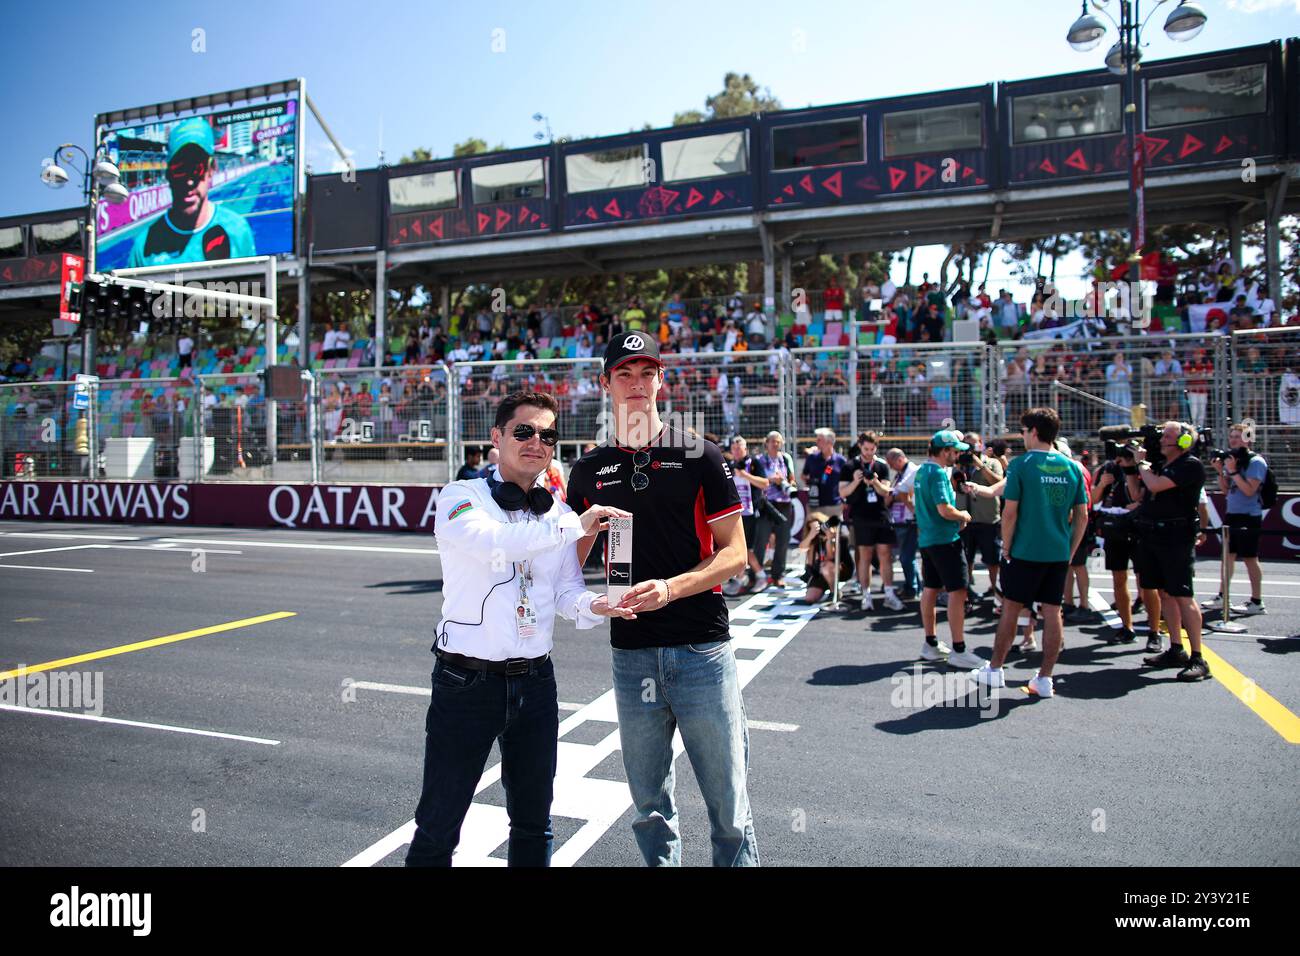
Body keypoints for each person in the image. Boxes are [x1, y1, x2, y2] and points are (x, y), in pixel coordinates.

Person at [405, 391, 633, 867]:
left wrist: (604, 604)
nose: (536, 442)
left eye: (547, 434)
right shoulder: (460, 498)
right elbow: (494, 542)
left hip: (535, 683)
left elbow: (567, 592)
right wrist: (575, 527)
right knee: (438, 825)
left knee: (534, 823)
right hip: (466, 683)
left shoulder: (557, 514)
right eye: (524, 431)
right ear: (497, 437)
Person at [566, 330, 757, 867]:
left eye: (646, 373)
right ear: (605, 383)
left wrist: (671, 588)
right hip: (631, 654)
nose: (636, 384)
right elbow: (566, 566)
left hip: (701, 649)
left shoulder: (701, 455)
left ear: (661, 381)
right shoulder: (588, 470)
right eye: (624, 373)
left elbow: (735, 554)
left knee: (729, 810)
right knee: (650, 807)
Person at [971, 408, 1089, 699]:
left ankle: (996, 670)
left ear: (1034, 431)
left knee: (1011, 608)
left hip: (1024, 551)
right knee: (1053, 611)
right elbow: (1082, 516)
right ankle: (1045, 678)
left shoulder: (1021, 465)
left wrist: (1007, 547)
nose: (1021, 436)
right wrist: (1070, 550)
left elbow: (1009, 513)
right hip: (1058, 552)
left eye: (1023, 431)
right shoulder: (1072, 467)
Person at [1134, 422, 1211, 682]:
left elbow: (1155, 486)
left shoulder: (1190, 465)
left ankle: (1198, 656)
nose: (1162, 440)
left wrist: (1141, 465)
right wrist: (1136, 466)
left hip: (1176, 537)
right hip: (1154, 534)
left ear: (1184, 441)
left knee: (1182, 594)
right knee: (1164, 593)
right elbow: (1139, 491)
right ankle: (1176, 648)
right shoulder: (1160, 464)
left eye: (1168, 436)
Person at [129, 117, 256, 268]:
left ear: (212, 170)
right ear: (168, 174)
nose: (189, 181)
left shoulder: (238, 231)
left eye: (197, 169)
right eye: (180, 169)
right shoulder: (144, 247)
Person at [913, 430, 986, 669]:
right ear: (944, 451)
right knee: (958, 591)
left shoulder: (923, 470)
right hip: (944, 539)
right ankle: (959, 649)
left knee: (931, 589)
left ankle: (931, 644)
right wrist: (963, 514)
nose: (956, 455)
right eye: (954, 451)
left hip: (928, 539)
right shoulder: (936, 473)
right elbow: (944, 509)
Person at [1092, 441, 1162, 649]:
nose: (1121, 457)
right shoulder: (1108, 469)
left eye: (1126, 453)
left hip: (1139, 527)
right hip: (1115, 528)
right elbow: (1093, 498)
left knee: (1147, 581)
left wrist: (1133, 467)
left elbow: (1138, 496)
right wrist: (1103, 483)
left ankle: (1154, 631)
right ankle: (1127, 627)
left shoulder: (1145, 467)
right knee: (1118, 578)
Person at [1204, 423, 1269, 615]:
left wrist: (1232, 471)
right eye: (1232, 436)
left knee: (1250, 558)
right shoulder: (1233, 460)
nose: (1233, 440)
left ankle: (1257, 600)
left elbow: (1250, 490)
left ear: (1248, 439)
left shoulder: (1256, 462)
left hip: (1249, 516)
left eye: (1238, 436)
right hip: (1232, 514)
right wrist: (1220, 470)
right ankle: (1223, 596)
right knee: (1227, 557)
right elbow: (1226, 490)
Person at [839, 431, 903, 611]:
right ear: (860, 446)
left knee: (885, 554)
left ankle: (889, 594)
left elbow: (886, 492)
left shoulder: (881, 465)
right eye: (866, 449)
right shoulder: (850, 466)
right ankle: (866, 595)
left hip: (880, 515)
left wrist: (874, 482)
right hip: (860, 515)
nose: (869, 452)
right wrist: (855, 481)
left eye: (872, 449)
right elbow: (842, 493)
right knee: (864, 555)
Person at [953, 431, 1003, 606]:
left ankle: (996, 590)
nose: (970, 449)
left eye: (973, 445)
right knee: (966, 558)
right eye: (966, 446)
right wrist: (959, 468)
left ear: (980, 444)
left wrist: (980, 465)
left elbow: (998, 482)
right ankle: (967, 593)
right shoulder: (957, 464)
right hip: (965, 520)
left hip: (987, 519)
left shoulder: (992, 462)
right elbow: (953, 486)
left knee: (992, 559)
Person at [723, 435, 771, 595]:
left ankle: (760, 576)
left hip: (750, 512)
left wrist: (745, 476)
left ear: (745, 449)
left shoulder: (754, 463)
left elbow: (765, 483)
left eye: (739, 448)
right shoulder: (728, 464)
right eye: (734, 448)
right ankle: (740, 577)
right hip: (734, 513)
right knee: (737, 548)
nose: (736, 451)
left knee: (746, 549)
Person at [754, 431, 796, 588]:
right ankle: (756, 574)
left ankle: (778, 575)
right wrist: (773, 479)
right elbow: (756, 480)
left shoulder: (786, 458)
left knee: (783, 541)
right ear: (766, 443)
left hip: (784, 503)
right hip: (766, 504)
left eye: (778, 441)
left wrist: (786, 482)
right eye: (772, 441)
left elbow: (792, 479)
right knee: (761, 540)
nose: (775, 444)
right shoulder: (759, 460)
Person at [885, 447, 920, 600]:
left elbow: (902, 493)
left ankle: (912, 588)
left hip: (909, 520)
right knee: (907, 556)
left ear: (899, 459)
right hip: (901, 519)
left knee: (906, 557)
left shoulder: (912, 471)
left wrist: (896, 497)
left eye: (891, 463)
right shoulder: (900, 474)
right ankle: (913, 586)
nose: (890, 467)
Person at [797, 511, 853, 603]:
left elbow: (831, 556)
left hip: (839, 569)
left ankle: (834, 592)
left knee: (826, 566)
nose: (818, 530)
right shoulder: (813, 540)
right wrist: (811, 534)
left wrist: (829, 538)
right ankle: (825, 587)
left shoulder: (838, 537)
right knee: (810, 598)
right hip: (820, 572)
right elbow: (802, 548)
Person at [802, 427, 849, 513]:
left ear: (829, 443)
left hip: (834, 505)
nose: (817, 442)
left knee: (833, 527)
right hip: (814, 505)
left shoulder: (841, 461)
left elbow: (846, 482)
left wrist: (844, 499)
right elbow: (804, 475)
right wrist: (809, 481)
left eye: (820, 440)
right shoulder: (812, 458)